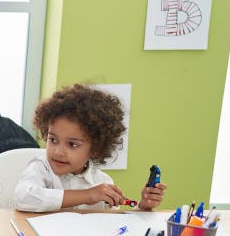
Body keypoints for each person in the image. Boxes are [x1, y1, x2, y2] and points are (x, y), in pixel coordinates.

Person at [14, 83, 167, 212]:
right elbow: (24, 197)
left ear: (95, 148)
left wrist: (142, 208)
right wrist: (88, 195)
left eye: (72, 144)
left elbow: (113, 224)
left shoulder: (102, 181)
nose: (58, 151)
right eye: (53, 139)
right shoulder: (41, 167)